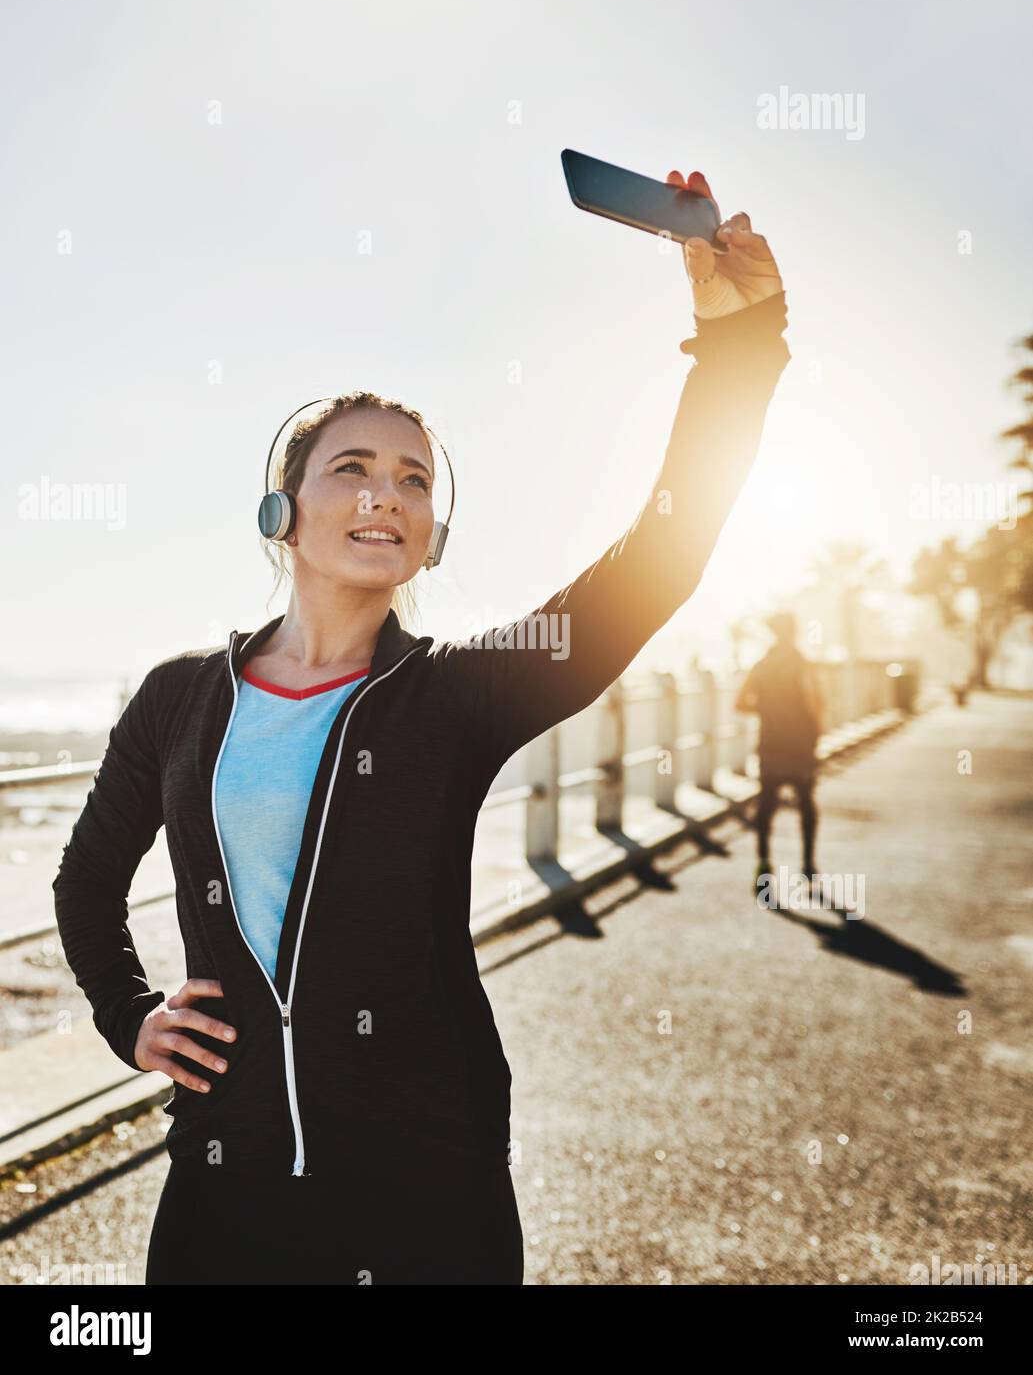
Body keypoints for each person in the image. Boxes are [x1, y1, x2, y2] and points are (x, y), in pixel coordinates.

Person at [52, 169, 791, 1285]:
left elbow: (659, 560)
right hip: (221, 1174)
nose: (383, 496)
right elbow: (86, 877)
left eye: (412, 481)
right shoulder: (181, 697)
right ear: (281, 509)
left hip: (422, 1179)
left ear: (431, 536)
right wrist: (132, 1015)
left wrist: (740, 348)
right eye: (348, 469)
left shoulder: (459, 695)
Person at [735, 612, 824, 892]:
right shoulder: (802, 665)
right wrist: (815, 734)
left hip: (770, 743)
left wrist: (764, 710)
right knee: (806, 800)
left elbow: (739, 703)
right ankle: (808, 864)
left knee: (766, 803)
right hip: (799, 745)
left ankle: (763, 865)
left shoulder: (761, 666)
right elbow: (816, 703)